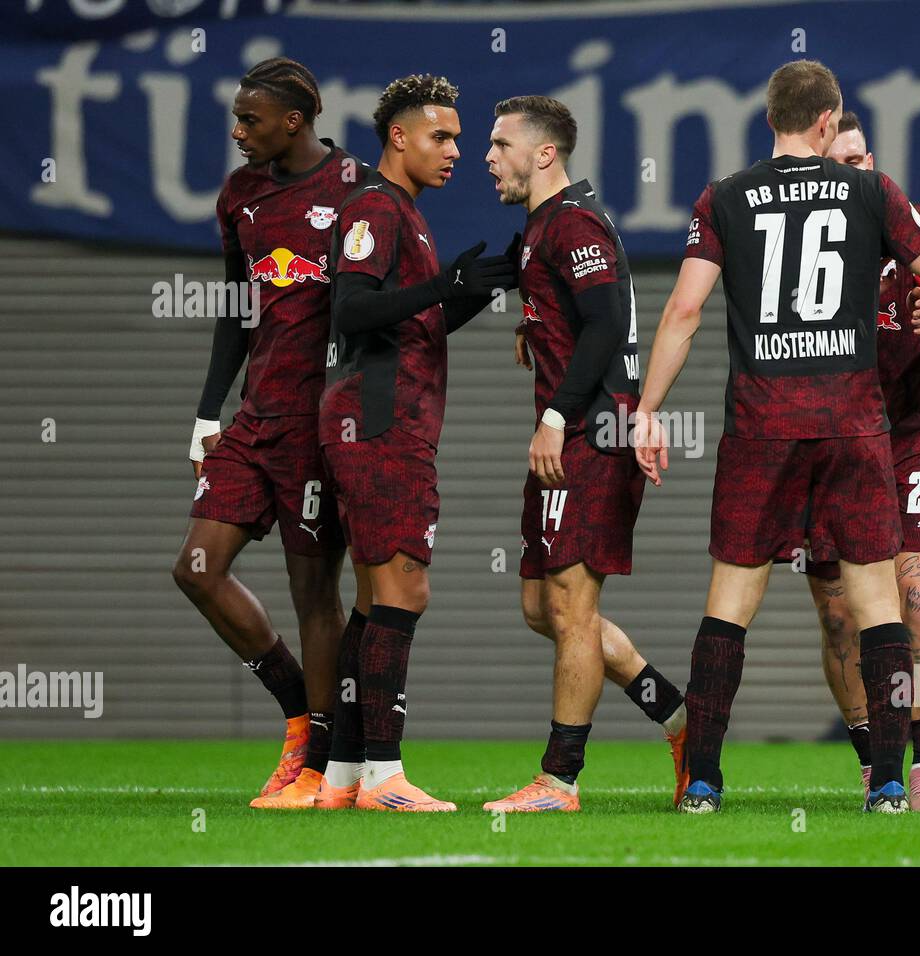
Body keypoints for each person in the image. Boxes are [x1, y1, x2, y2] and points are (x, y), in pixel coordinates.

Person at [635, 59, 920, 813]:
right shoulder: (870, 192)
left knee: (729, 601)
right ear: (828, 122)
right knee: (874, 600)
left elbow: (684, 313)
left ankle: (701, 780)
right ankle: (890, 782)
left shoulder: (724, 197)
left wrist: (646, 410)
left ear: (770, 120)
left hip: (761, 425)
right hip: (853, 424)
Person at [312, 74, 517, 812]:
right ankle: (384, 775)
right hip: (379, 423)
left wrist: (470, 290)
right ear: (398, 136)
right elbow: (353, 311)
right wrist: (441, 287)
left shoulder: (405, 213)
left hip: (383, 420)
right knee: (405, 589)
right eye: (442, 136)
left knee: (373, 598)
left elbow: (409, 327)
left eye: (461, 138)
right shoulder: (373, 206)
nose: (457, 150)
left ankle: (339, 777)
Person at [482, 95, 687, 814]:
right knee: (542, 606)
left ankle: (558, 781)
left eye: (500, 144)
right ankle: (680, 717)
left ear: (545, 154)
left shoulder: (573, 222)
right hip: (570, 435)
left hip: (590, 436)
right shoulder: (542, 227)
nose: (488, 157)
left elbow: (604, 325)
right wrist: (535, 325)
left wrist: (554, 415)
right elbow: (577, 315)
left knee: (571, 609)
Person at [173, 57, 355, 806]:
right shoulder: (239, 198)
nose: (238, 131)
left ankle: (318, 760)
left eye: (250, 119)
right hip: (255, 419)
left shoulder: (355, 191)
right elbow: (234, 312)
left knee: (314, 592)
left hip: (320, 423)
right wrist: (208, 414)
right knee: (195, 568)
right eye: (236, 117)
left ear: (294, 120)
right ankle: (298, 717)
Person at [802, 110, 920, 811]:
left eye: (862, 159)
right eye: (841, 165)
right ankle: (875, 761)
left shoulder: (909, 221)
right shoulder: (799, 246)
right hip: (829, 445)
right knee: (840, 615)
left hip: (909, 436)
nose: (858, 174)